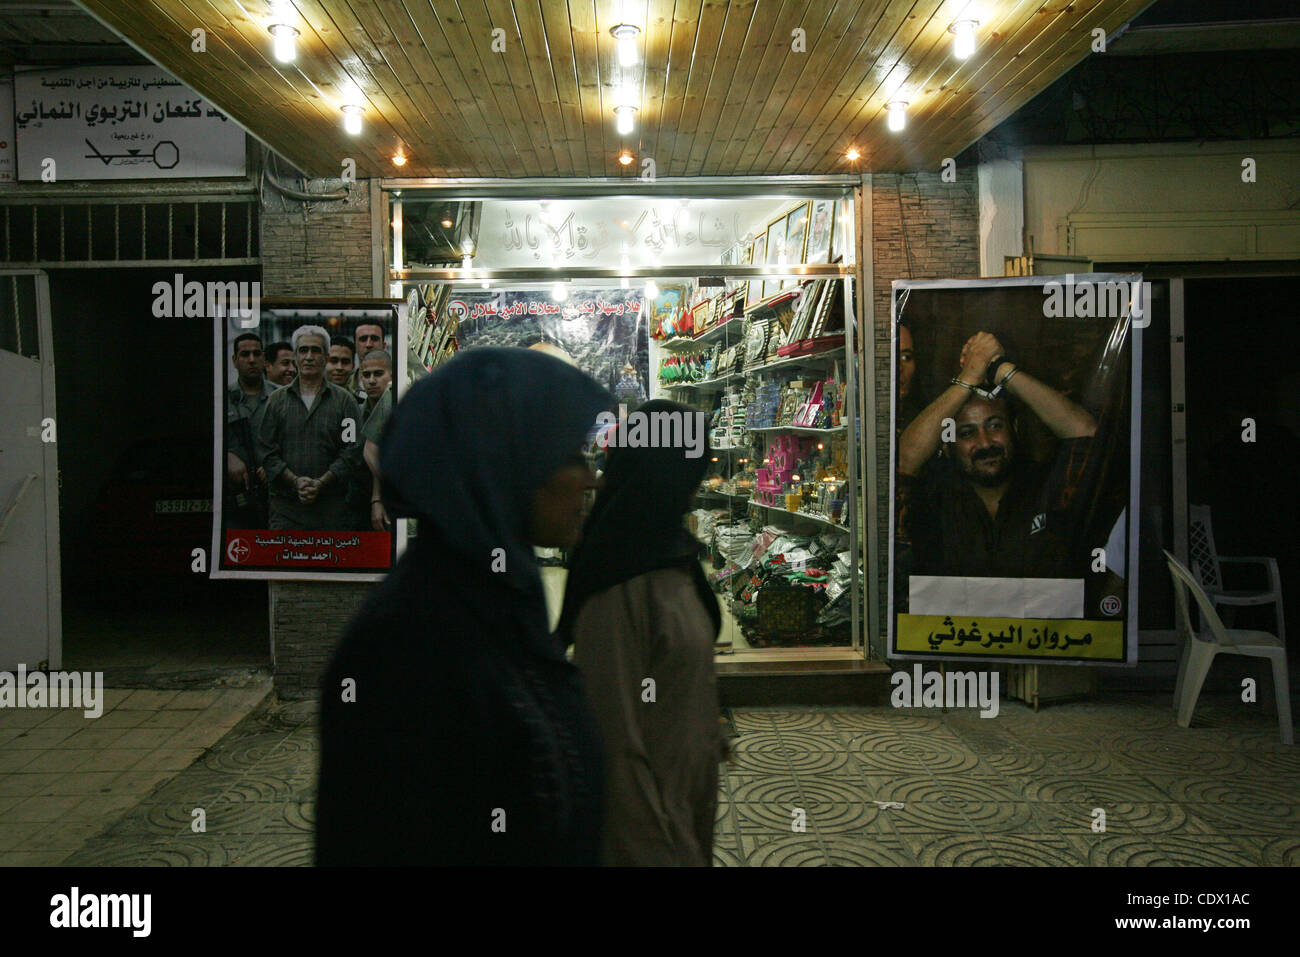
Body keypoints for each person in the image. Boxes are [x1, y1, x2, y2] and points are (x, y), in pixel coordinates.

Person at [316, 347, 611, 866]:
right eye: (568, 455)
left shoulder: (498, 593)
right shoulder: (406, 644)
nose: (589, 478)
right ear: (504, 461)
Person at [557, 399, 724, 866]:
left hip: (681, 807)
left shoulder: (670, 556)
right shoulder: (620, 585)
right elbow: (612, 748)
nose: (701, 479)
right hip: (652, 836)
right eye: (695, 464)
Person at [897, 331, 1098, 580]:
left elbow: (1085, 432)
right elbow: (904, 460)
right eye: (968, 432)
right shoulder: (937, 497)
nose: (985, 442)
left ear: (1013, 429)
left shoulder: (1045, 488)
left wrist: (1000, 370)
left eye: (995, 426)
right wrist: (969, 376)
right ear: (948, 445)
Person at [255, 325, 362, 530]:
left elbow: (352, 451)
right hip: (285, 511)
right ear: (295, 356)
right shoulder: (276, 401)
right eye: (303, 350)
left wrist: (321, 483)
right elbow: (266, 450)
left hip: (332, 510)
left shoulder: (344, 402)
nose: (309, 356)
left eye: (316, 350)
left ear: (326, 357)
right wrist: (295, 482)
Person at [225, 332, 276, 526]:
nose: (252, 360)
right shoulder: (223, 398)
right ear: (234, 360)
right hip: (236, 496)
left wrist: (274, 465)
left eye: (257, 354)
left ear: (264, 358)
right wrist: (226, 457)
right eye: (245, 355)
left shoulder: (280, 396)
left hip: (274, 495)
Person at [354, 349, 394, 532]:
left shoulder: (392, 402)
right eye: (366, 375)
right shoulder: (358, 410)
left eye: (378, 374)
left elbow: (372, 450)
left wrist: (379, 497)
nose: (371, 380)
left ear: (391, 375)